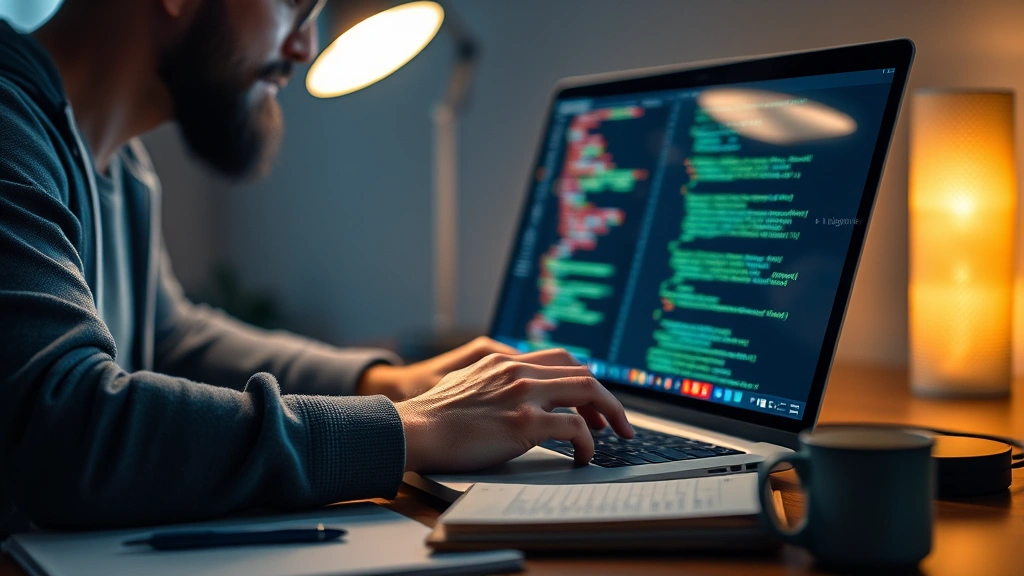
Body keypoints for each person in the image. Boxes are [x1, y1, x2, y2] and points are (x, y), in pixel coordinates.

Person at [0, 0, 633, 534]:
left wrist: (392, 381)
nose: (304, 46)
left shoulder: (121, 165)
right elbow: (60, 425)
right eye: (294, 7)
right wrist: (409, 427)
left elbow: (173, 340)